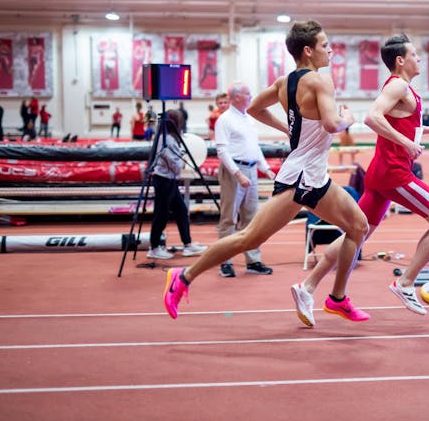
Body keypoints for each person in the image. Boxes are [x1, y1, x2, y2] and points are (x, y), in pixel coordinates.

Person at [163, 19, 368, 323]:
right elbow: (331, 124)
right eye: (326, 45)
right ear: (308, 51)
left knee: (359, 226)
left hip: (312, 176)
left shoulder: (284, 83)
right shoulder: (320, 81)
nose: (331, 51)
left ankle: (337, 298)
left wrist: (287, 127)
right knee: (249, 239)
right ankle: (184, 276)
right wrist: (348, 117)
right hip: (302, 179)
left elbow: (255, 109)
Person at [293, 33, 429, 325]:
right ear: (401, 60)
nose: (420, 60)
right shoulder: (399, 85)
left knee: (357, 234)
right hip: (393, 173)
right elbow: (372, 117)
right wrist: (406, 144)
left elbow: (397, 120)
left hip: (381, 173)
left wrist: (427, 131)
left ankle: (308, 286)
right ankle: (405, 283)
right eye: (415, 55)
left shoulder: (403, 89)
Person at [213, 81, 277, 278]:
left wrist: (266, 169)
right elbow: (222, 150)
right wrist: (237, 174)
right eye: (247, 94)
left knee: (251, 218)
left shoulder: (248, 119)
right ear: (236, 97)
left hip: (250, 170)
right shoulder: (224, 120)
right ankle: (225, 261)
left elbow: (254, 147)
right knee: (229, 218)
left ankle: (253, 260)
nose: (251, 96)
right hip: (234, 172)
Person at [146, 109, 207, 260]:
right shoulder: (165, 139)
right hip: (164, 180)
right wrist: (180, 162)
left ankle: (187, 244)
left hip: (170, 180)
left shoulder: (169, 138)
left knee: (181, 211)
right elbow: (174, 162)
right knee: (161, 214)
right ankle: (154, 247)